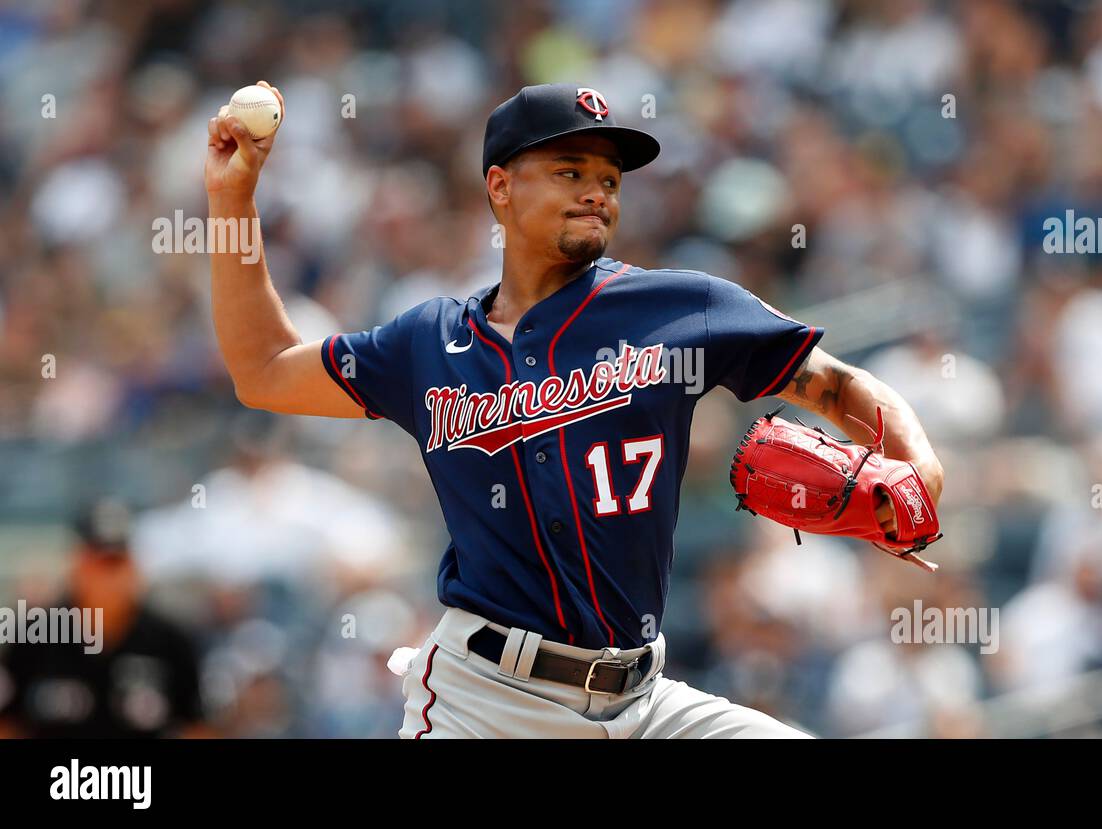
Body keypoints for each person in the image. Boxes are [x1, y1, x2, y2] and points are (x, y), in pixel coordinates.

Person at [205, 81, 944, 738]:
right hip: (487, 702)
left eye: (609, 178)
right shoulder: (426, 342)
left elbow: (838, 384)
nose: (598, 191)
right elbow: (265, 370)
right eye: (570, 171)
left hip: (645, 701)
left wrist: (921, 463)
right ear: (500, 187)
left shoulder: (681, 307)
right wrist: (232, 199)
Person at [0, 497, 206, 738]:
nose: (108, 577)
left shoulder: (170, 640)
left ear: (133, 565)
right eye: (98, 563)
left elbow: (197, 727)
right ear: (78, 562)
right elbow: (8, 723)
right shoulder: (34, 636)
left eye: (116, 563)